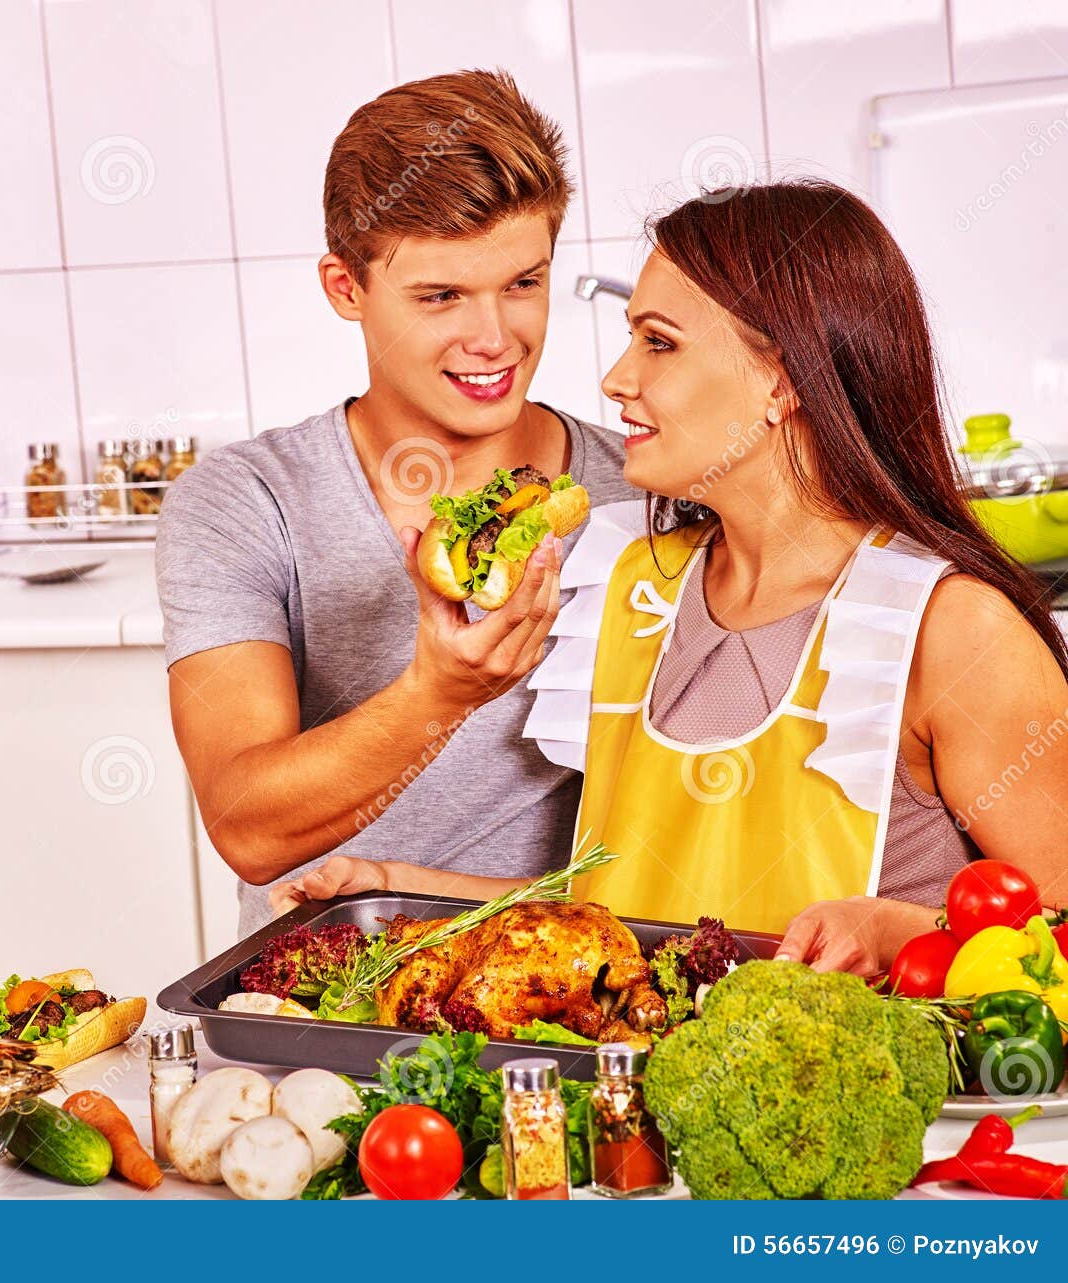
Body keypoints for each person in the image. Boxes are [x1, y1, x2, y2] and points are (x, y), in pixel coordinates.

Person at [276, 179, 1068, 977]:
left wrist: (902, 933)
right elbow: (625, 918)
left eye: (658, 342)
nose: (617, 379)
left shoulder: (952, 631)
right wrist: (396, 889)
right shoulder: (630, 587)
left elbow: (1059, 926)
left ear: (782, 381)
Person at [155, 70, 638, 936]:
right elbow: (246, 826)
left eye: (522, 284)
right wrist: (439, 693)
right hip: (324, 997)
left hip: (576, 988)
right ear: (346, 288)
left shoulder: (640, 488)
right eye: (441, 295)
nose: (495, 339)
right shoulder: (242, 502)